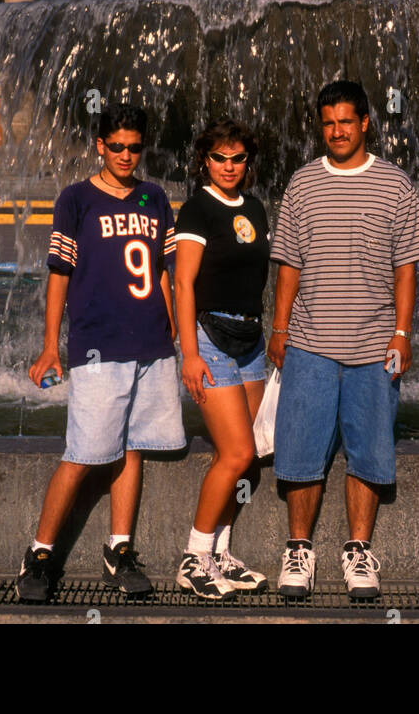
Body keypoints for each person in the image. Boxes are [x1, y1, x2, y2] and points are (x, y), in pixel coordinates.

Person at [268, 79, 419, 599]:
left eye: (346, 121)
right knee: (299, 451)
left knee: (368, 453)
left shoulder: (395, 184)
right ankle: (299, 550)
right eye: (328, 122)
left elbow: (405, 269)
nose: (337, 131)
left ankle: (358, 552)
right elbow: (288, 265)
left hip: (373, 345)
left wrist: (403, 333)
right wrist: (279, 327)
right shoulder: (302, 184)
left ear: (366, 123)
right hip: (309, 342)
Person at [16, 102, 185, 602]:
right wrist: (51, 345)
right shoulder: (75, 199)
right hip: (97, 346)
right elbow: (60, 274)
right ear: (99, 145)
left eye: (135, 147)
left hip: (153, 344)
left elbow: (164, 272)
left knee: (131, 447)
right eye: (117, 147)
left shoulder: (155, 198)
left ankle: (119, 548)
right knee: (84, 454)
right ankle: (40, 553)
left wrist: (176, 333)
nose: (127, 155)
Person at [173, 118, 271, 598]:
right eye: (219, 158)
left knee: (241, 460)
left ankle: (221, 555)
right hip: (209, 337)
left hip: (250, 340)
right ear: (204, 161)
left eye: (236, 159)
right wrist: (188, 353)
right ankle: (193, 557)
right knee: (238, 453)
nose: (228, 166)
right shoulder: (195, 211)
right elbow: (182, 283)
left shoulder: (255, 208)